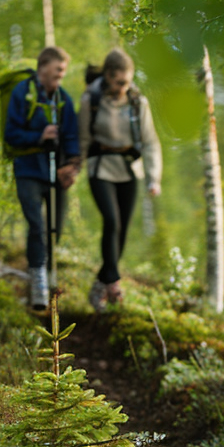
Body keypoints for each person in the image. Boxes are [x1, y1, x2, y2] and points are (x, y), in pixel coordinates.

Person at [78, 47, 162, 311]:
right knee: (111, 221)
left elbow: (150, 142)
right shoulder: (90, 99)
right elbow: (82, 140)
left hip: (128, 170)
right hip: (100, 168)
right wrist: (73, 168)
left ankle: (100, 284)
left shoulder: (138, 102)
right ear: (108, 75)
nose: (124, 88)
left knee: (122, 230)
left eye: (128, 82)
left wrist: (153, 177)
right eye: (120, 82)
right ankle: (113, 282)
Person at [4, 46, 81, 311]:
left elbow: (72, 135)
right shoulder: (21, 94)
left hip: (56, 173)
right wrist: (39, 136)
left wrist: (72, 165)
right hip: (27, 170)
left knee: (54, 229)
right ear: (43, 67)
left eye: (63, 71)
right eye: (58, 70)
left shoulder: (63, 99)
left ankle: (48, 275)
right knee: (37, 225)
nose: (61, 75)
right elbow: (10, 134)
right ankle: (38, 283)